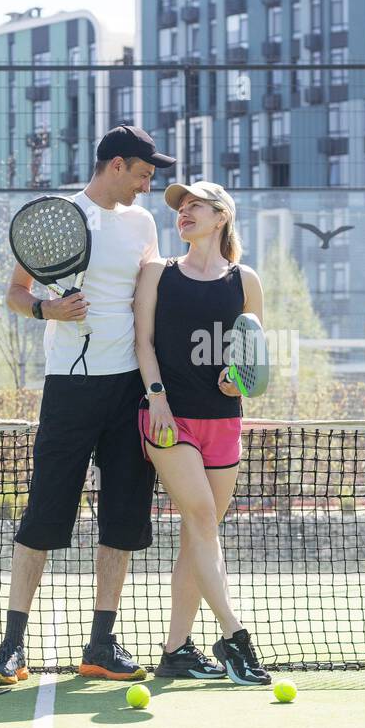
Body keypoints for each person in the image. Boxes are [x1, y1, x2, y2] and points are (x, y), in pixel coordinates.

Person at [0, 126, 174, 685]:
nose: (146, 184)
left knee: (124, 517)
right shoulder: (58, 217)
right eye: (142, 173)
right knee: (44, 512)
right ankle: (11, 647)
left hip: (131, 387)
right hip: (69, 385)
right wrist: (48, 311)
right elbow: (16, 292)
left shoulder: (143, 223)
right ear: (116, 165)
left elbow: (151, 294)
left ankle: (101, 644)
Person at [133, 180, 271, 686]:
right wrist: (158, 399)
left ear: (221, 217)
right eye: (180, 207)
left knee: (198, 537)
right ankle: (235, 637)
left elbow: (252, 357)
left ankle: (176, 650)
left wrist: (234, 376)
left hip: (224, 422)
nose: (184, 213)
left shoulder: (246, 281)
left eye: (195, 206)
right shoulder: (158, 274)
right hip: (169, 421)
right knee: (201, 517)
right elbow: (143, 344)